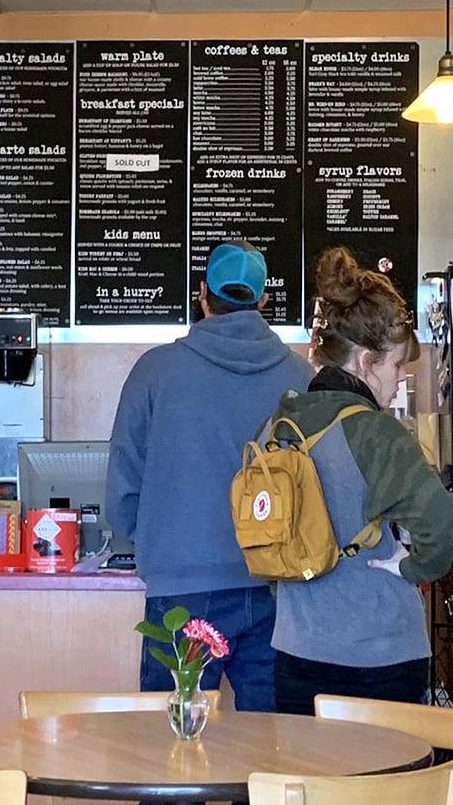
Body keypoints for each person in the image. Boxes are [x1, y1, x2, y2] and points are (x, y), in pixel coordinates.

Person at [105, 240, 314, 711]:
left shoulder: (153, 372)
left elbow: (123, 480)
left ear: (202, 294)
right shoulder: (301, 378)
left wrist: (148, 541)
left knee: (171, 750)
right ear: (263, 301)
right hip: (276, 588)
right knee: (273, 749)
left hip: (182, 587)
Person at [270, 245, 453, 715]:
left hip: (296, 652)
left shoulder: (281, 424)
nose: (399, 380)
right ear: (365, 361)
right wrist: (415, 567)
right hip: (380, 657)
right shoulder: (376, 432)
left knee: (309, 788)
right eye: (396, 366)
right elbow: (439, 522)